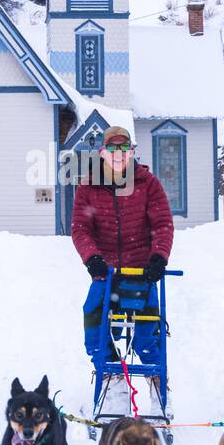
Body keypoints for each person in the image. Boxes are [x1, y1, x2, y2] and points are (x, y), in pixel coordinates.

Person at [70, 125, 174, 369]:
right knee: (95, 324)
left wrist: (158, 257)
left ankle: (156, 380)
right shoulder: (88, 187)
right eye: (113, 148)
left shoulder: (148, 184)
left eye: (124, 148)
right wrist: (92, 257)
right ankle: (111, 376)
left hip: (141, 272)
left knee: (147, 336)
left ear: (131, 152)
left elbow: (162, 224)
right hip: (105, 273)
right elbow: (81, 228)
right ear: (103, 152)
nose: (119, 153)